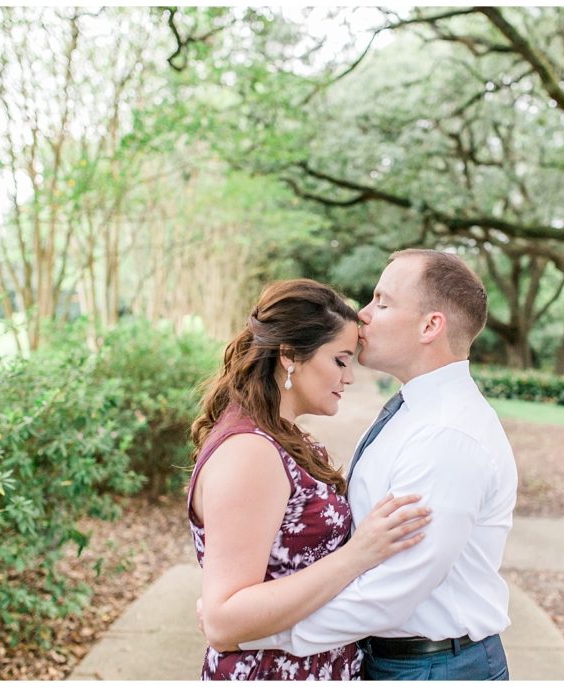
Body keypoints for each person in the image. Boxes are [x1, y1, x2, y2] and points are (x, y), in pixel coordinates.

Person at [236, 249, 519, 680]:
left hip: (435, 668)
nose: (363, 315)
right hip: (404, 660)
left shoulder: (447, 436)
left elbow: (393, 591)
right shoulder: (416, 411)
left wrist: (261, 634)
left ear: (430, 326)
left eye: (382, 302)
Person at [188, 278, 432, 680]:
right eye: (340, 360)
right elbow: (224, 620)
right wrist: (358, 555)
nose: (348, 377)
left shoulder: (282, 437)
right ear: (289, 355)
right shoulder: (250, 452)